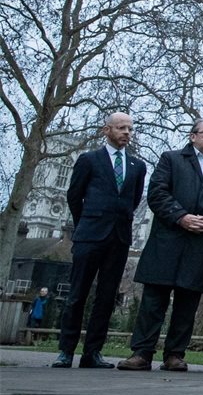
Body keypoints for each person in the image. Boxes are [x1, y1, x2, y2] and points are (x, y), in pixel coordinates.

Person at [118, 118, 203, 371]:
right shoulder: (171, 159)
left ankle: (175, 354)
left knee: (187, 302)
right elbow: (157, 193)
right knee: (154, 301)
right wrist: (181, 216)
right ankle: (142, 353)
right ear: (192, 136)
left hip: (201, 243)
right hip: (168, 240)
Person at [54, 112, 149, 370]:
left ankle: (92, 352)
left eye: (130, 129)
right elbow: (75, 196)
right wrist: (85, 223)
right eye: (121, 128)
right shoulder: (89, 160)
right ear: (106, 130)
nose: (127, 132)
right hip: (90, 235)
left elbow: (133, 199)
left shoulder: (137, 166)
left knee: (107, 297)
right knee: (77, 294)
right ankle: (65, 351)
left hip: (119, 238)